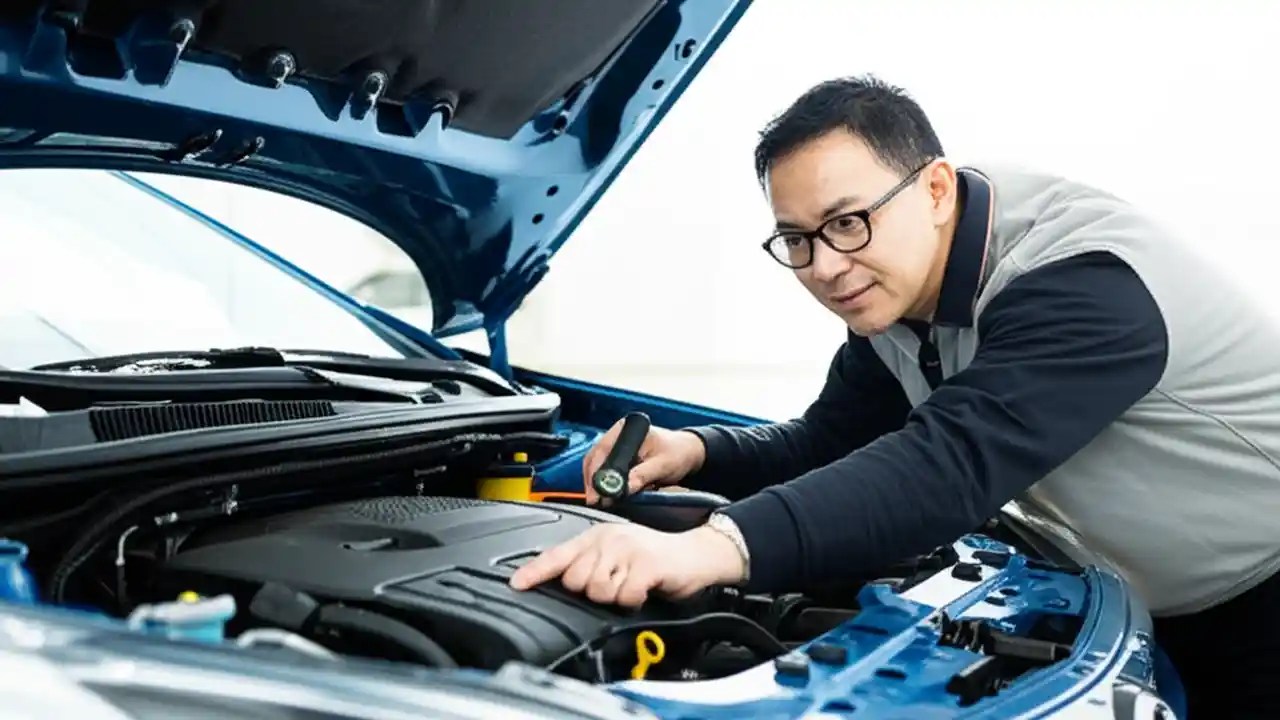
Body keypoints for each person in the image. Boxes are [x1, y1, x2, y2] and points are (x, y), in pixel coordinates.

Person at [509, 75, 1280, 717]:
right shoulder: (900, 288)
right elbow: (830, 440)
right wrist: (698, 452)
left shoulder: (1083, 284)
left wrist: (710, 549)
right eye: (797, 239)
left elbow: (947, 466)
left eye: (846, 222)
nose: (824, 267)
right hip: (1142, 601)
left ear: (936, 188)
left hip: (1262, 600)